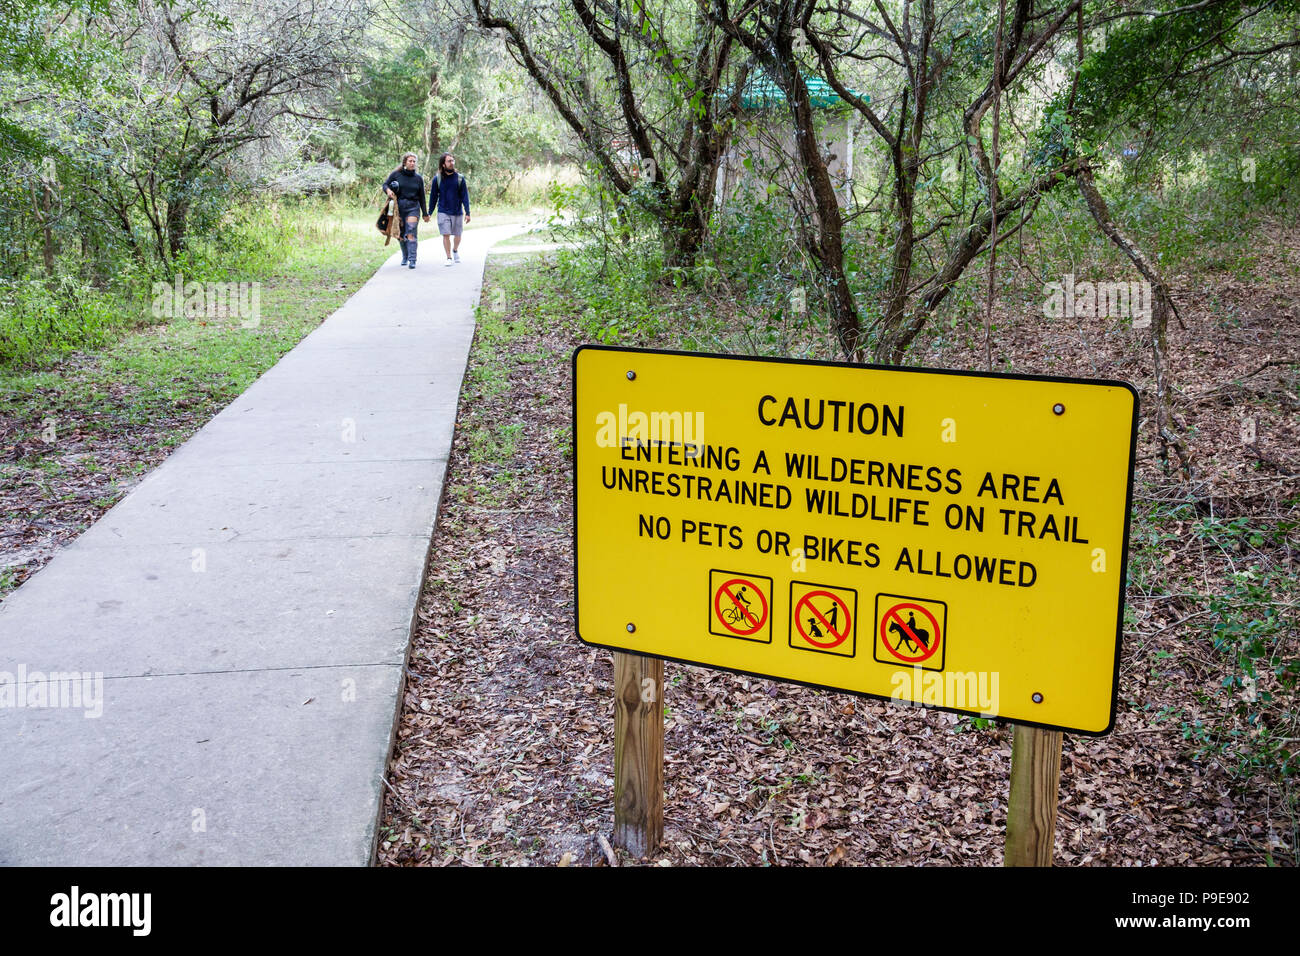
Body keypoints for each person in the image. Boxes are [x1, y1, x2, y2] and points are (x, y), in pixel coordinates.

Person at [382, 153, 430, 269]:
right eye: (410, 161)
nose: (412, 163)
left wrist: (425, 213)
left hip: (413, 207)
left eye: (414, 161)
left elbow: (422, 197)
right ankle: (405, 255)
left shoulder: (418, 178)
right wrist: (388, 191)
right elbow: (385, 184)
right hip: (399, 208)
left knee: (411, 232)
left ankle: (412, 259)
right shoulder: (396, 174)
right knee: (400, 234)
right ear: (405, 162)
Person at [430, 152, 471, 266]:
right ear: (443, 164)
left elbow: (465, 197)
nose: (451, 163)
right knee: (446, 234)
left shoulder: (460, 178)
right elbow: (433, 197)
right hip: (443, 211)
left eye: (452, 160)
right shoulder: (437, 179)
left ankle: (455, 250)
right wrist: (429, 212)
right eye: (449, 161)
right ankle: (448, 257)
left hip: (457, 211)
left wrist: (468, 212)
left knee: (458, 235)